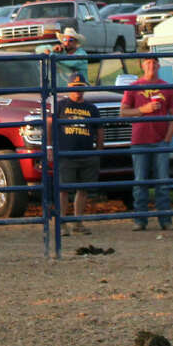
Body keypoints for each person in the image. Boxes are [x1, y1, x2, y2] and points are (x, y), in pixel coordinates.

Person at [121, 56, 173, 231]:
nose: (151, 65)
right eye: (147, 62)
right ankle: (140, 219)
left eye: (154, 62)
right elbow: (123, 112)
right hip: (139, 140)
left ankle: (165, 219)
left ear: (159, 65)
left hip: (160, 141)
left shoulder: (166, 87)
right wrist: (142, 110)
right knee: (140, 181)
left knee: (163, 182)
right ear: (142, 65)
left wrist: (167, 139)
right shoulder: (133, 88)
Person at [49, 72, 103, 236]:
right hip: (66, 153)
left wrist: (99, 149)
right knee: (63, 189)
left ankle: (78, 222)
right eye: (74, 87)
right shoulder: (61, 106)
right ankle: (62, 222)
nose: (78, 91)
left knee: (83, 189)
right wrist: (49, 147)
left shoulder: (91, 108)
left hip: (87, 153)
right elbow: (49, 124)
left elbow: (99, 129)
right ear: (69, 88)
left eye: (80, 87)